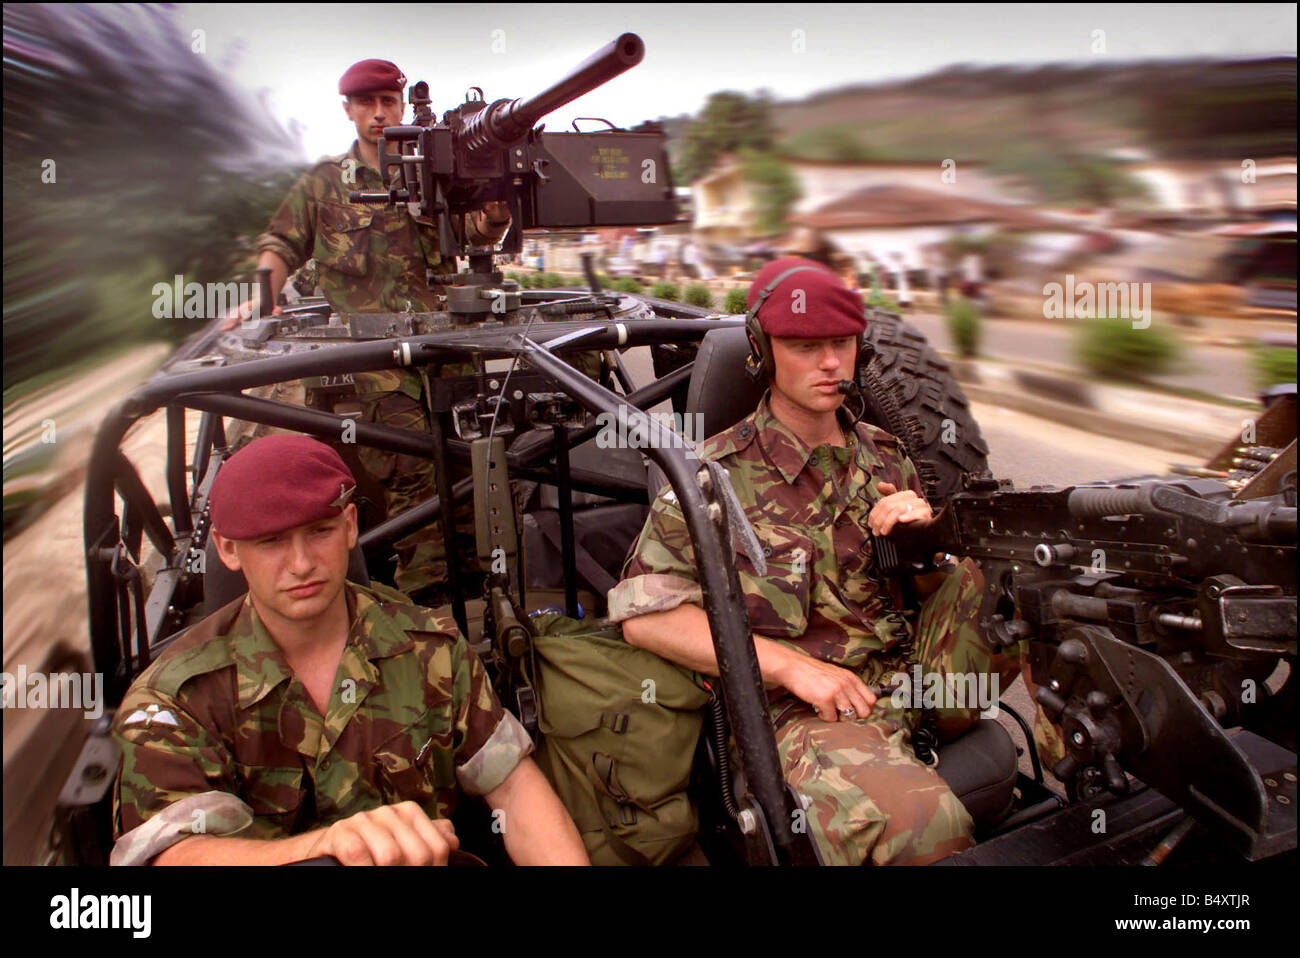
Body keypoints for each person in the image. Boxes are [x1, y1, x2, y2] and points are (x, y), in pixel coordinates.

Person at [607, 257, 1023, 866]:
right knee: (924, 824)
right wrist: (790, 669)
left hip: (913, 683)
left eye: (841, 343)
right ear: (763, 351)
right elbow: (645, 616)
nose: (830, 363)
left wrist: (926, 542)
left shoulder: (885, 455)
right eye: (805, 346)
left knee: (1028, 577)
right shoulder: (709, 477)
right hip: (807, 713)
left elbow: (934, 594)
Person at [109, 434, 589, 866]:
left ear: (350, 525)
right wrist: (323, 848)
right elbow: (173, 855)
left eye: (319, 531)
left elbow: (512, 786)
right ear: (228, 550)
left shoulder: (431, 649)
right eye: (272, 542)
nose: (301, 564)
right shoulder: (173, 700)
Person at [219, 59, 514, 598]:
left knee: (476, 474)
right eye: (369, 104)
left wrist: (495, 214)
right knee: (416, 490)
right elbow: (282, 243)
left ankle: (484, 601)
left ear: (402, 107)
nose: (380, 114)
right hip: (376, 367)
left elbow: (476, 230)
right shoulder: (324, 184)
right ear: (349, 110)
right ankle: (432, 612)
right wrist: (259, 300)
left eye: (389, 103)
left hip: (447, 353)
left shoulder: (434, 173)